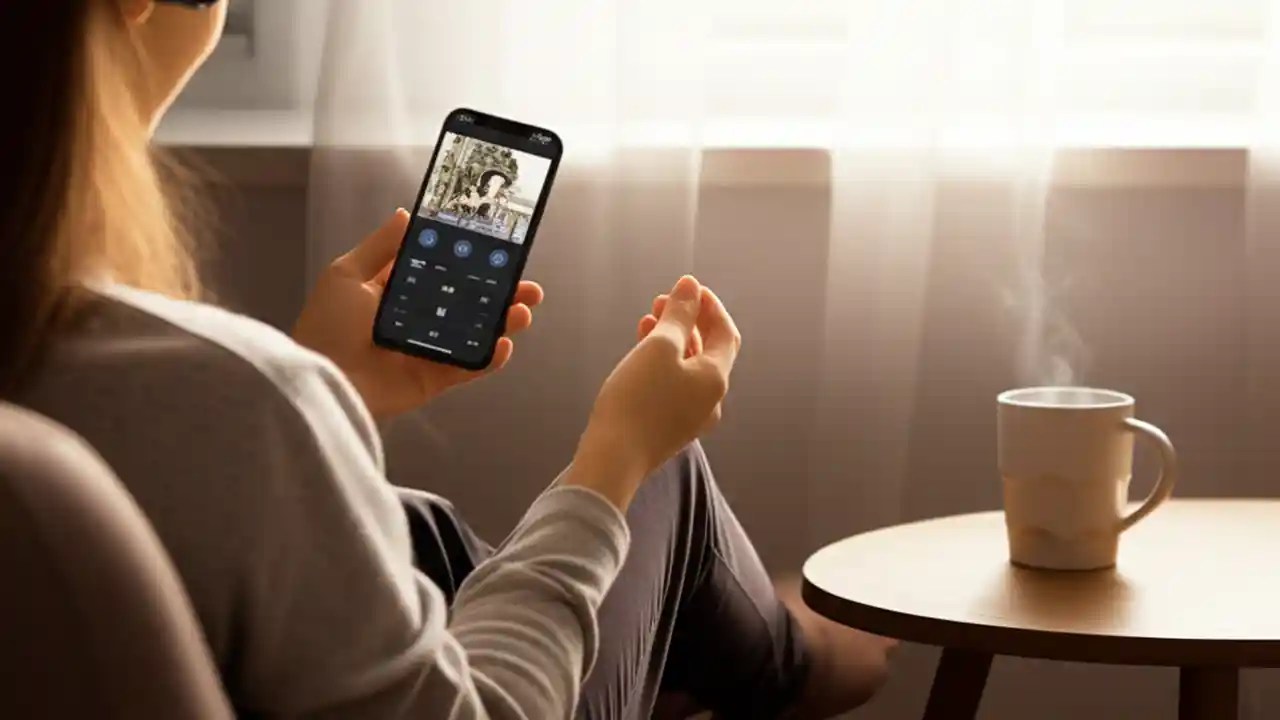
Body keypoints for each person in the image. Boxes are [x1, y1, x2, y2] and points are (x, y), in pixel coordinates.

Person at [0, 2, 895, 719]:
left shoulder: (120, 382)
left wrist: (327, 393)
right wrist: (617, 455)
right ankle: (795, 666)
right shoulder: (246, 399)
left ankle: (690, 655)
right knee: (668, 482)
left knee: (418, 526)